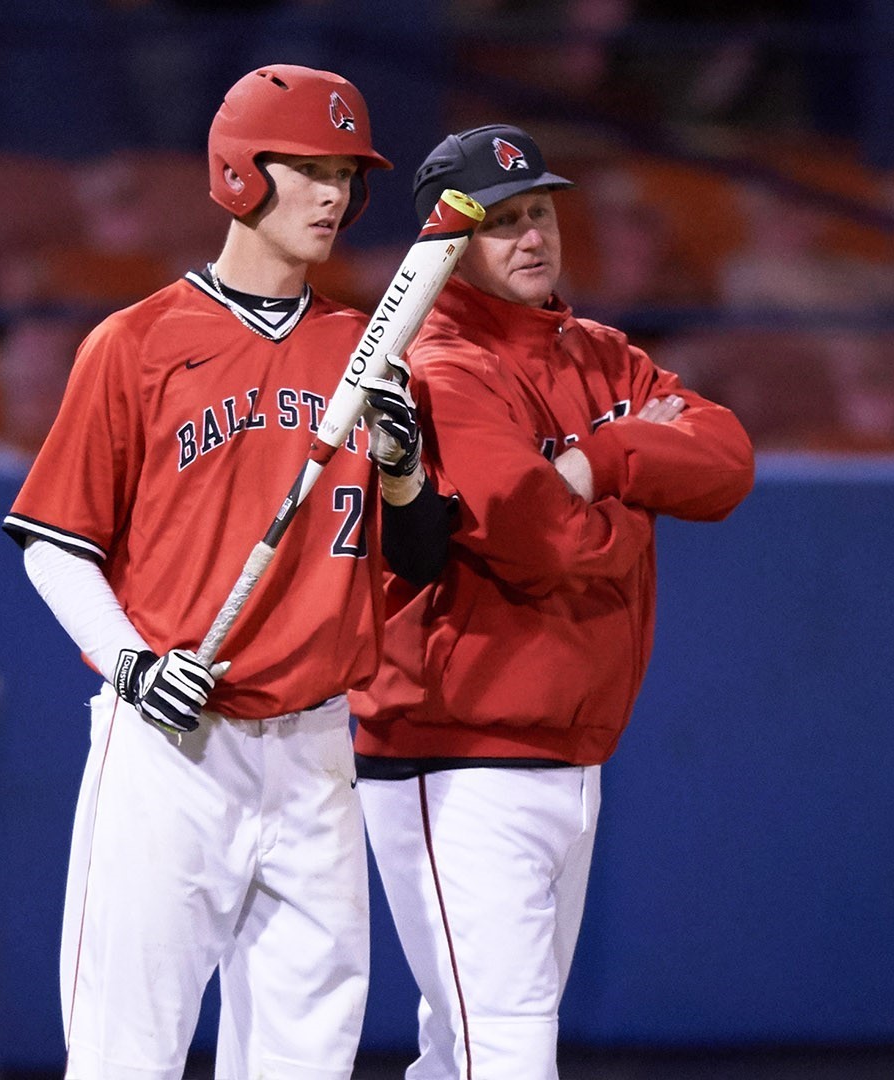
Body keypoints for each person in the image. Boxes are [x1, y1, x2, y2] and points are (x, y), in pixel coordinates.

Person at [1, 65, 454, 1080]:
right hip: (174, 746)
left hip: (318, 749)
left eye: (348, 172)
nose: (335, 193)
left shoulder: (366, 352)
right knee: (126, 1056)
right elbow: (53, 540)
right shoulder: (136, 343)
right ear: (241, 174)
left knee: (307, 1063)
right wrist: (131, 664)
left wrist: (405, 467)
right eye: (310, 168)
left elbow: (421, 562)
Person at [350, 123, 757, 1079]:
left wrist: (603, 458)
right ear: (451, 246)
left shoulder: (603, 354)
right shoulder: (441, 365)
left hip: (568, 756)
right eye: (501, 222)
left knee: (467, 1052)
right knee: (507, 1048)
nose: (533, 235)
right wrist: (638, 508)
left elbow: (729, 466)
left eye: (540, 211)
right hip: (451, 757)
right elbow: (540, 540)